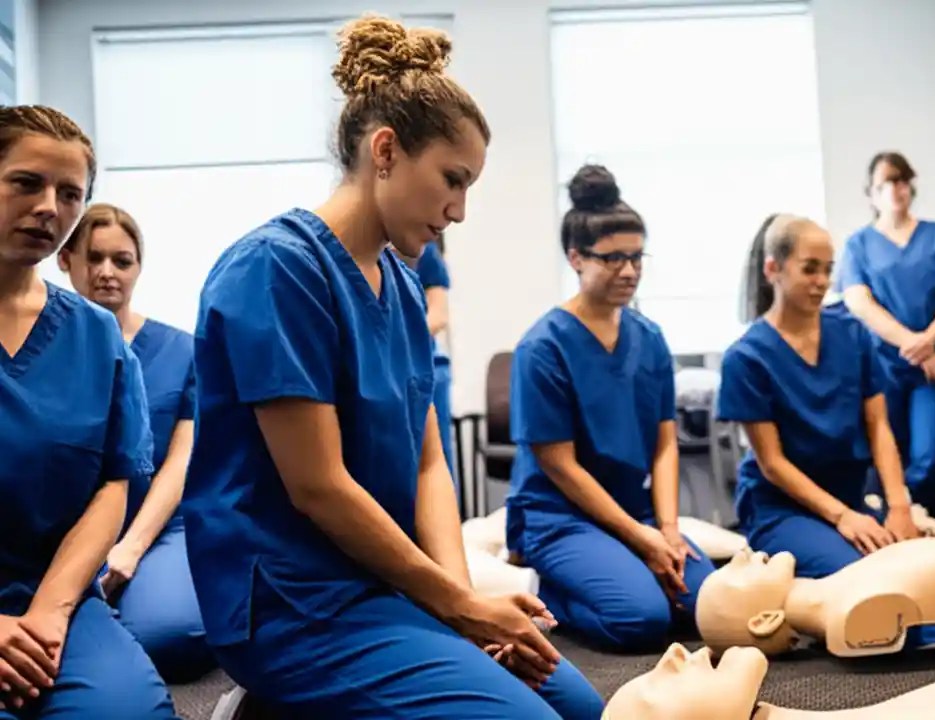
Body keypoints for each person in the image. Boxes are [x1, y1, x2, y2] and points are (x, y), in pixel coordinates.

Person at [183, 15, 601, 719]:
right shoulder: (276, 270)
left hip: (381, 584)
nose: (460, 211)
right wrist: (459, 609)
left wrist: (457, 598)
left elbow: (429, 462)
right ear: (385, 151)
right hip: (294, 604)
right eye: (452, 180)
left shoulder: (402, 285)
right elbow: (319, 488)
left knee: (580, 706)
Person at [0, 107, 176, 718]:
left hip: (59, 592)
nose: (50, 206)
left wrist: (50, 611)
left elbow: (114, 481)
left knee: (129, 710)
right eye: (27, 182)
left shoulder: (97, 337)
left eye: (70, 193)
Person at [505, 164, 715, 652]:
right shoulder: (543, 348)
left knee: (705, 603)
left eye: (637, 257)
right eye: (614, 258)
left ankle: (629, 567)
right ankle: (542, 587)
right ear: (576, 258)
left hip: (634, 512)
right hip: (559, 516)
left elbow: (665, 443)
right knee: (639, 619)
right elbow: (559, 466)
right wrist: (642, 543)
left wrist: (667, 530)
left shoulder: (650, 338)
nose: (629, 271)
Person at [55, 203, 213, 681]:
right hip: (66, 525)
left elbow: (182, 459)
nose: (107, 273)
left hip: (159, 524)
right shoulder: (43, 347)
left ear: (138, 267)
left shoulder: (181, 350)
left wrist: (130, 547)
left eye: (121, 261)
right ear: (67, 260)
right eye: (95, 257)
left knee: (171, 635)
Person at [719, 213, 921, 581]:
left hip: (850, 501)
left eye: (828, 269)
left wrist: (898, 505)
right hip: (782, 509)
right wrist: (842, 517)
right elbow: (772, 464)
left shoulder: (852, 335)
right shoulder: (746, 357)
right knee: (868, 584)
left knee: (917, 576)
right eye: (809, 269)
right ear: (773, 269)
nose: (822, 282)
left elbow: (878, 427)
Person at [836, 153, 935, 519]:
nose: (894, 189)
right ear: (871, 193)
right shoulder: (858, 246)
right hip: (882, 366)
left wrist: (930, 339)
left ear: (910, 185)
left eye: (900, 180)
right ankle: (900, 536)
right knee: (885, 463)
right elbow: (858, 301)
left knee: (933, 460)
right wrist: (912, 343)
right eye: (885, 183)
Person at [395, 235, 456, 483]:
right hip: (390, 370)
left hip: (425, 366)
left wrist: (397, 340)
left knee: (433, 460)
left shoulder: (424, 251)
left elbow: (439, 315)